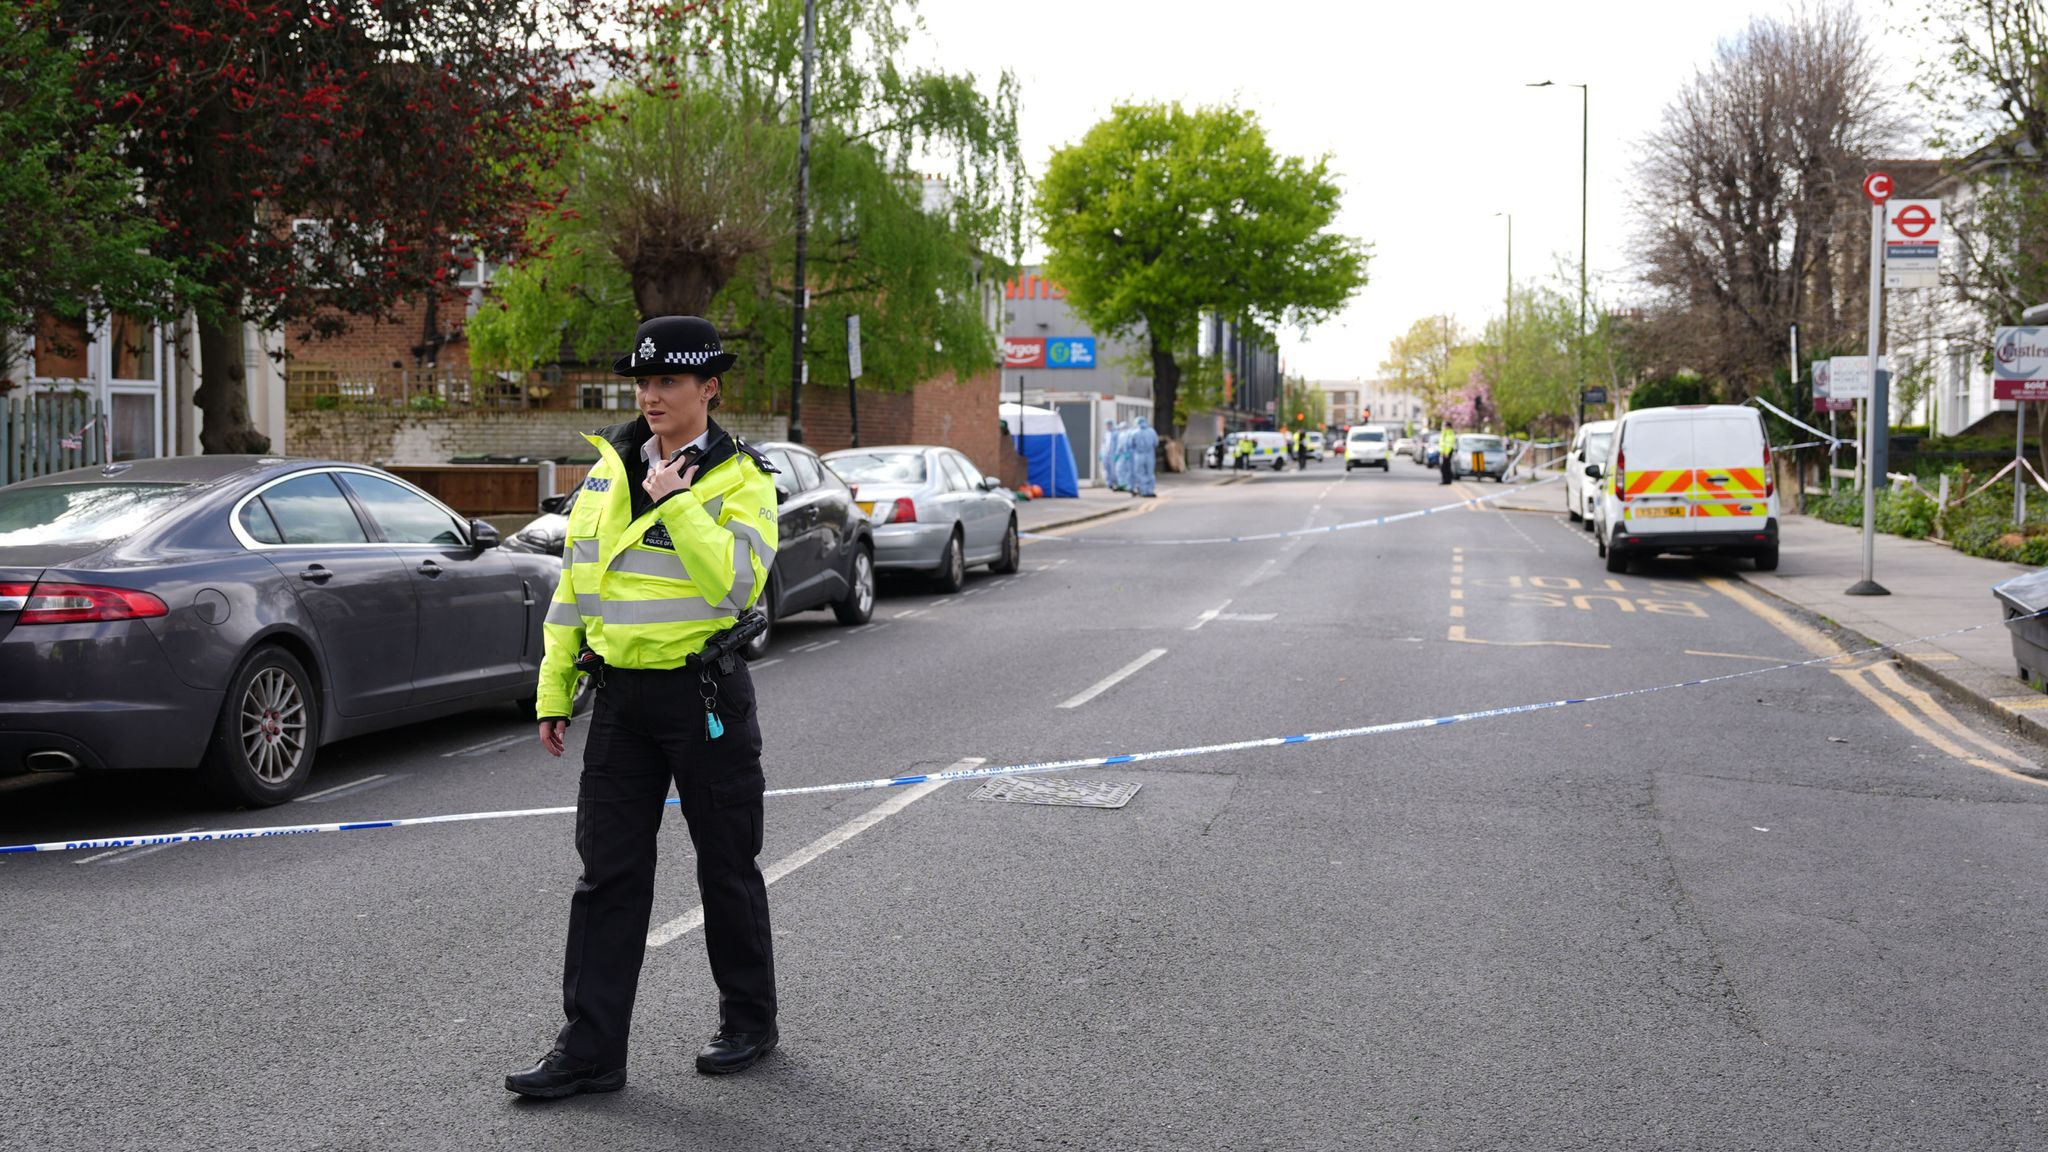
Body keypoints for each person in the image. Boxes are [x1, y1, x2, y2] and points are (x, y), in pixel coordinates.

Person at [507, 315, 783, 1100]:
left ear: (709, 388)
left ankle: (749, 1021)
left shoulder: (742, 478)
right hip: (620, 700)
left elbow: (737, 585)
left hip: (703, 695)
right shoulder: (608, 471)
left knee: (726, 865)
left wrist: (680, 503)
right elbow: (575, 587)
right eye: (644, 381)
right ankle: (591, 1052)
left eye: (668, 381)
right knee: (608, 876)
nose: (651, 395)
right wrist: (555, 689)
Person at [1128, 416, 1159, 497]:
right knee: (1150, 473)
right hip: (1150, 455)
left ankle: (1143, 491)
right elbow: (1156, 443)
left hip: (1139, 455)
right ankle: (1150, 491)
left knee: (1140, 473)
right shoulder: (1152, 431)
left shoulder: (1134, 432)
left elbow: (1130, 444)